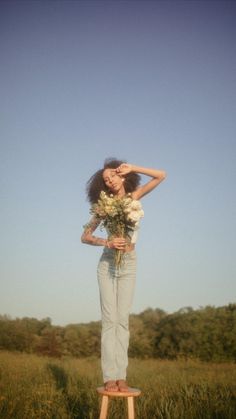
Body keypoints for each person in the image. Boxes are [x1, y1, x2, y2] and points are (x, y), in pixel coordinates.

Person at [81, 158, 166, 392]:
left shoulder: (133, 199)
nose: (109, 181)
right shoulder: (103, 206)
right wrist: (106, 242)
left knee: (122, 321)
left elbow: (161, 175)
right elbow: (85, 236)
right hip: (108, 263)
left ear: (122, 177)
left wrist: (134, 167)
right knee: (110, 321)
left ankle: (122, 377)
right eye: (106, 180)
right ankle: (110, 377)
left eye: (113, 176)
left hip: (129, 262)